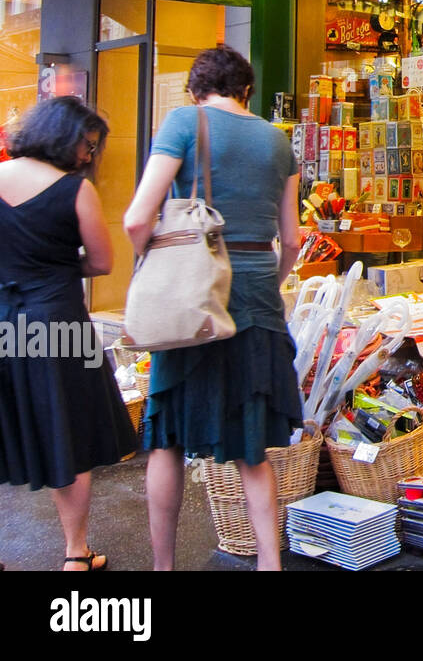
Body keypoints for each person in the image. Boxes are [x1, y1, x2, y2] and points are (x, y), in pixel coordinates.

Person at [124, 45, 301, 571]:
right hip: (256, 300)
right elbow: (291, 240)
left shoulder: (184, 121)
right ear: (246, 89)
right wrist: (267, 280)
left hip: (189, 300)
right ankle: (269, 564)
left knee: (167, 438)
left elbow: (138, 218)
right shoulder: (277, 141)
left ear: (196, 90)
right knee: (253, 446)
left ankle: (163, 567)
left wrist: (153, 268)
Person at [0, 96, 136, 570]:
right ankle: (75, 554)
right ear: (63, 136)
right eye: (87, 144)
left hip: (4, 320)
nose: (88, 155)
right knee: (68, 433)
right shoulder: (75, 190)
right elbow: (101, 262)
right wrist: (57, 265)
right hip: (60, 322)